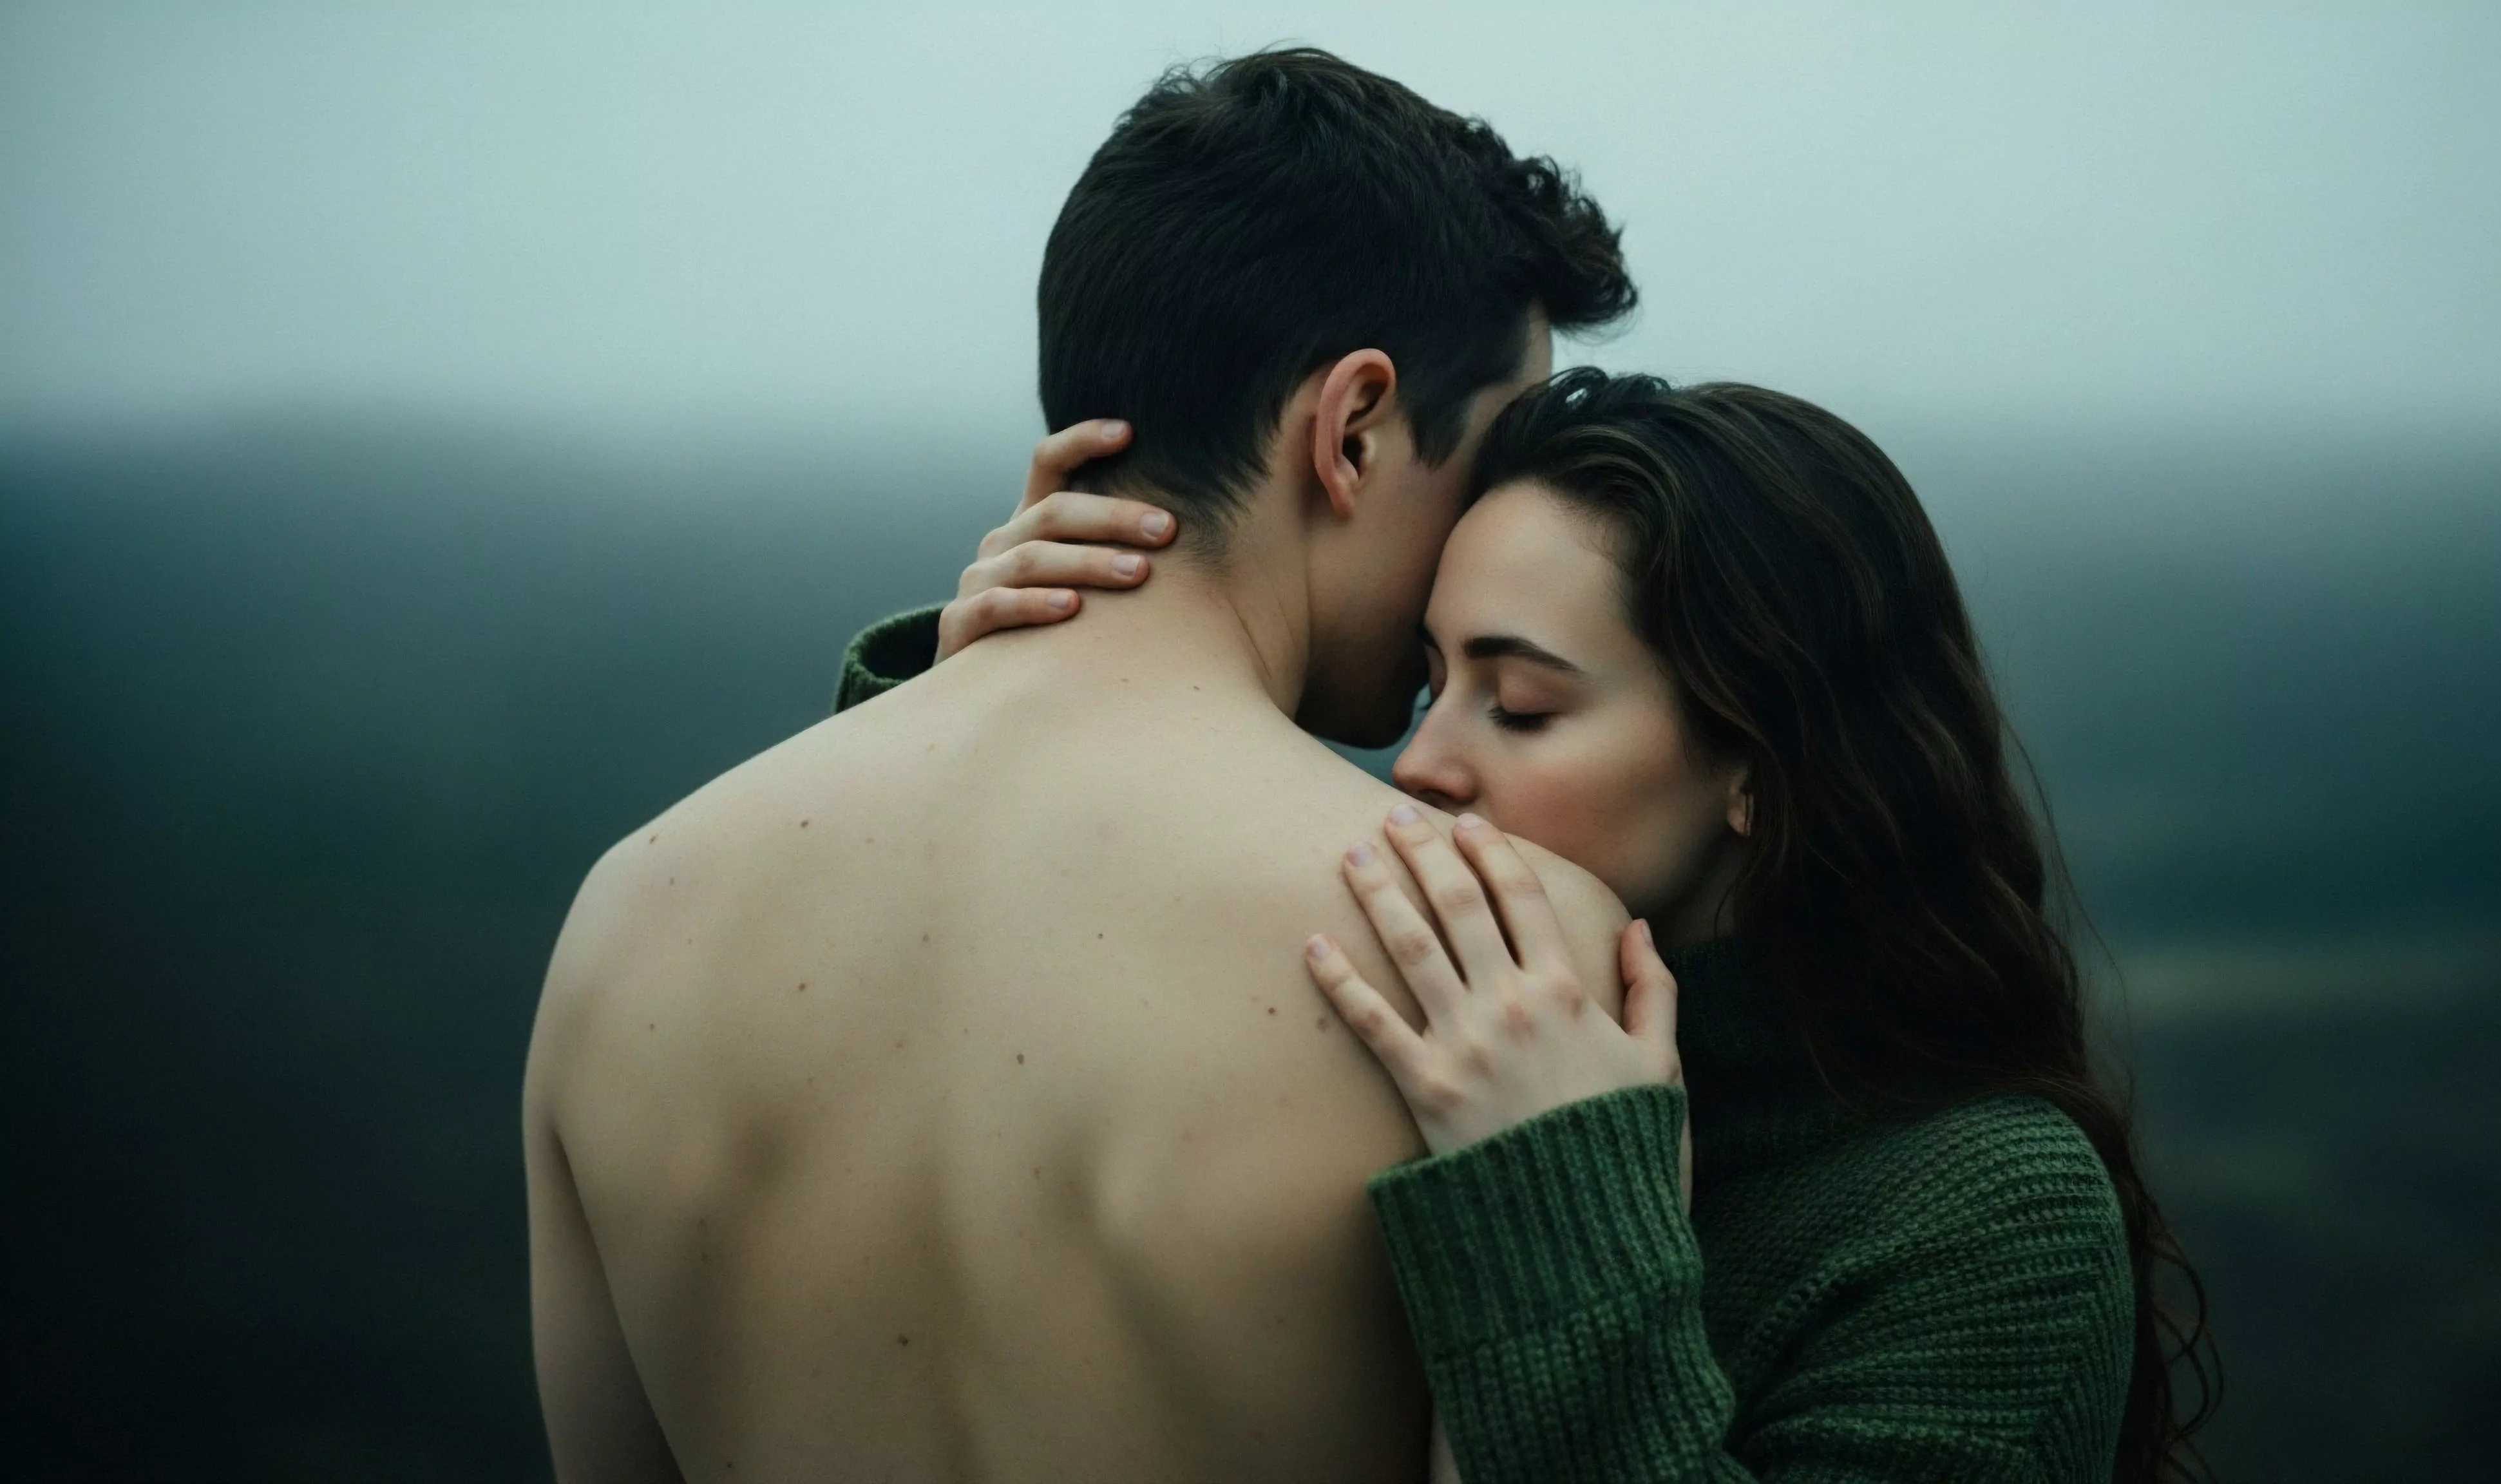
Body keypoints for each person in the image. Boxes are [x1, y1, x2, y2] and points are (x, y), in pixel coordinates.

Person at [522, 48, 1637, 1483]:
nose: (1500, 528)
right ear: (1353, 428)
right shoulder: (1496, 962)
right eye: (1492, 456)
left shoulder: (627, 919)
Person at [846, 370, 2220, 1481]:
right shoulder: (1401, 1041)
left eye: (1522, 703)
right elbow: (950, 1079)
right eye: (1429, 680)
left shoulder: (1987, 1207)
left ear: (1759, 764)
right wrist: (989, 707)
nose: (1425, 764)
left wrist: (1564, 1192)